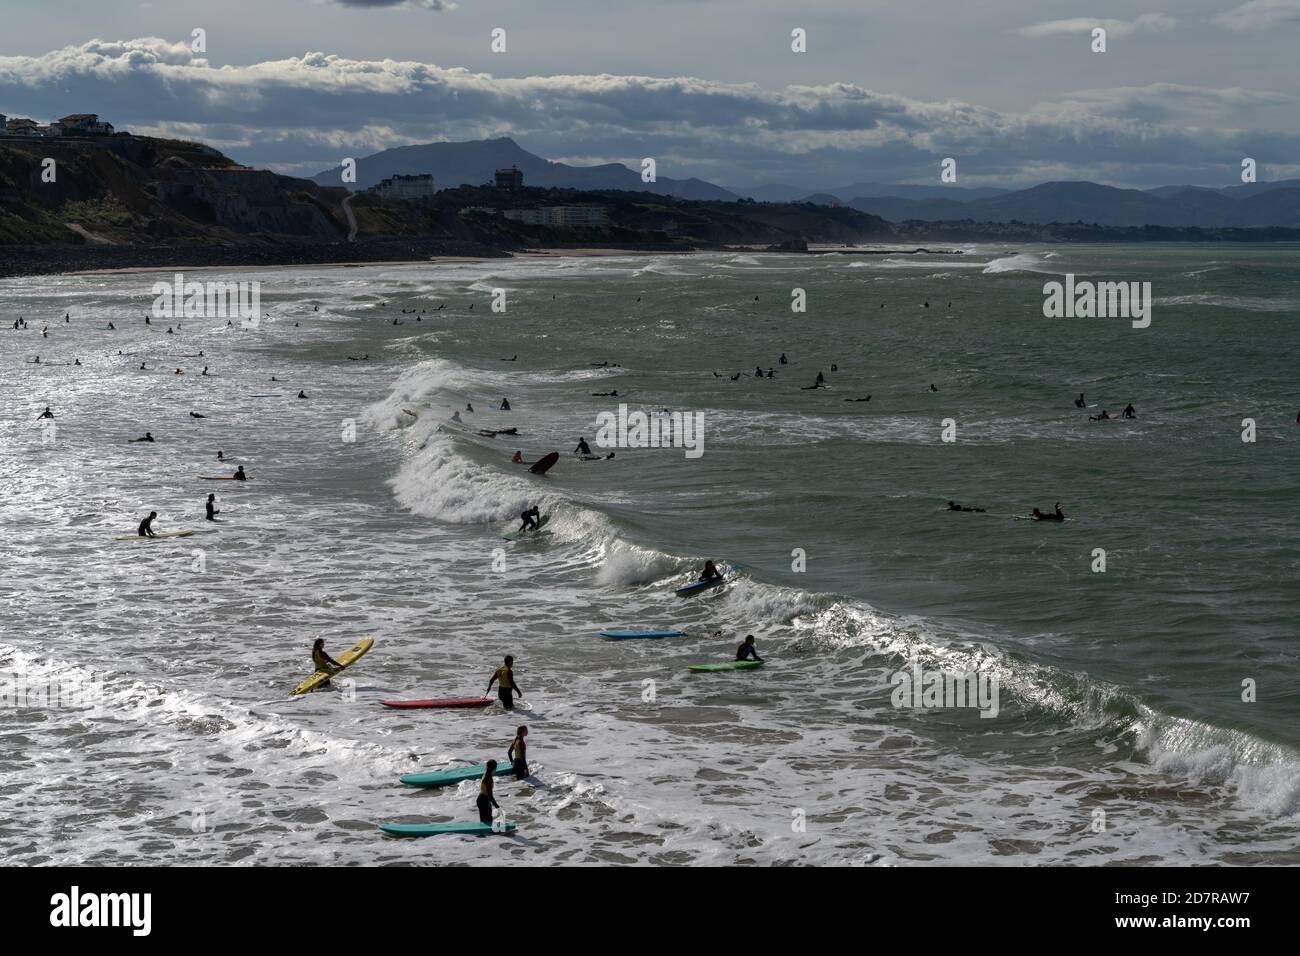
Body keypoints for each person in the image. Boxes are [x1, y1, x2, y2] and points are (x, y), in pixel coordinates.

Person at [478, 761, 501, 825]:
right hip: (483, 801)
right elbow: (490, 796)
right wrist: (497, 807)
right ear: (494, 768)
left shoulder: (486, 774)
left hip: (484, 799)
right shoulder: (488, 778)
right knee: (485, 824)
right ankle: (481, 835)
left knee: (488, 821)